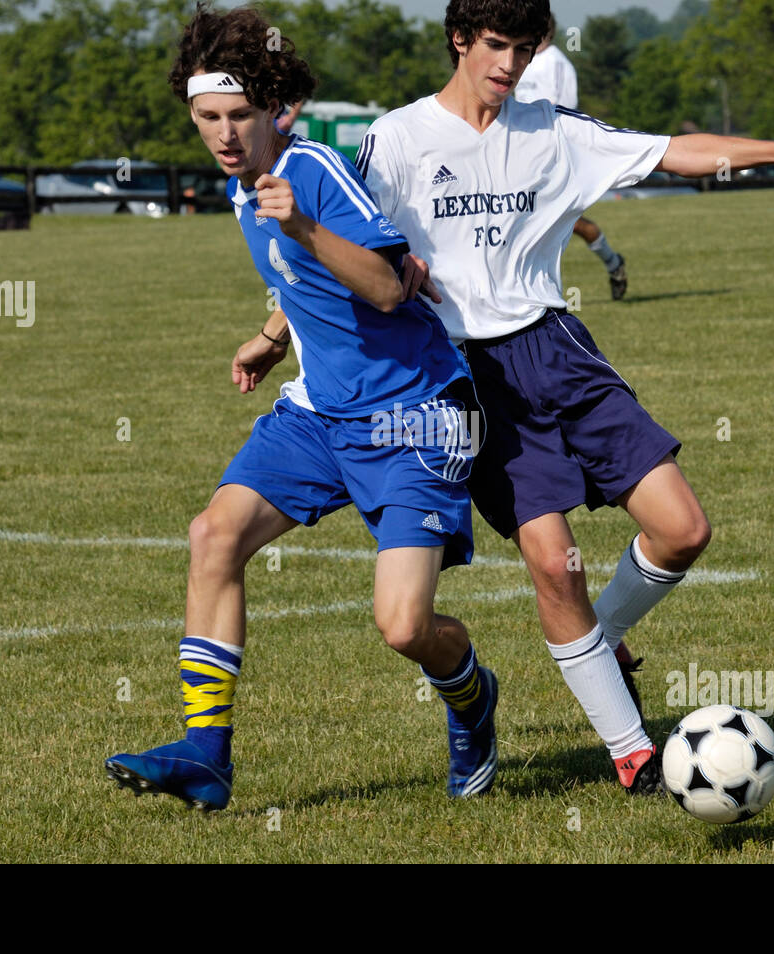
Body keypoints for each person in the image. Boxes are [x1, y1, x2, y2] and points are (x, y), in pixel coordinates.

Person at [341, 0, 774, 795]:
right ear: (459, 40)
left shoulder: (553, 130)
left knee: (684, 529)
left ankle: (603, 637)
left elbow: (677, 152)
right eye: (496, 45)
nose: (510, 64)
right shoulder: (397, 138)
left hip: (559, 352)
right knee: (555, 565)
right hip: (470, 378)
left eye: (524, 49)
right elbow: (336, 242)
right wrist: (276, 330)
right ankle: (632, 753)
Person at [106, 4, 498, 811]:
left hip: (414, 417)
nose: (222, 134)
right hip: (320, 417)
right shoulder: (241, 187)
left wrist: (308, 226)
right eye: (206, 117)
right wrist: (270, 333)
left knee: (403, 627)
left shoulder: (312, 169)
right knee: (214, 533)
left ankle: (473, 697)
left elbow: (390, 287)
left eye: (238, 116)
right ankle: (207, 756)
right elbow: (296, 276)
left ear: (273, 109)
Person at [514, 15, 628, 300]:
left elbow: (567, 115)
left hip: (550, 156)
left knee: (565, 222)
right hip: (521, 153)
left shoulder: (558, 64)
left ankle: (613, 263)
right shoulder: (519, 61)